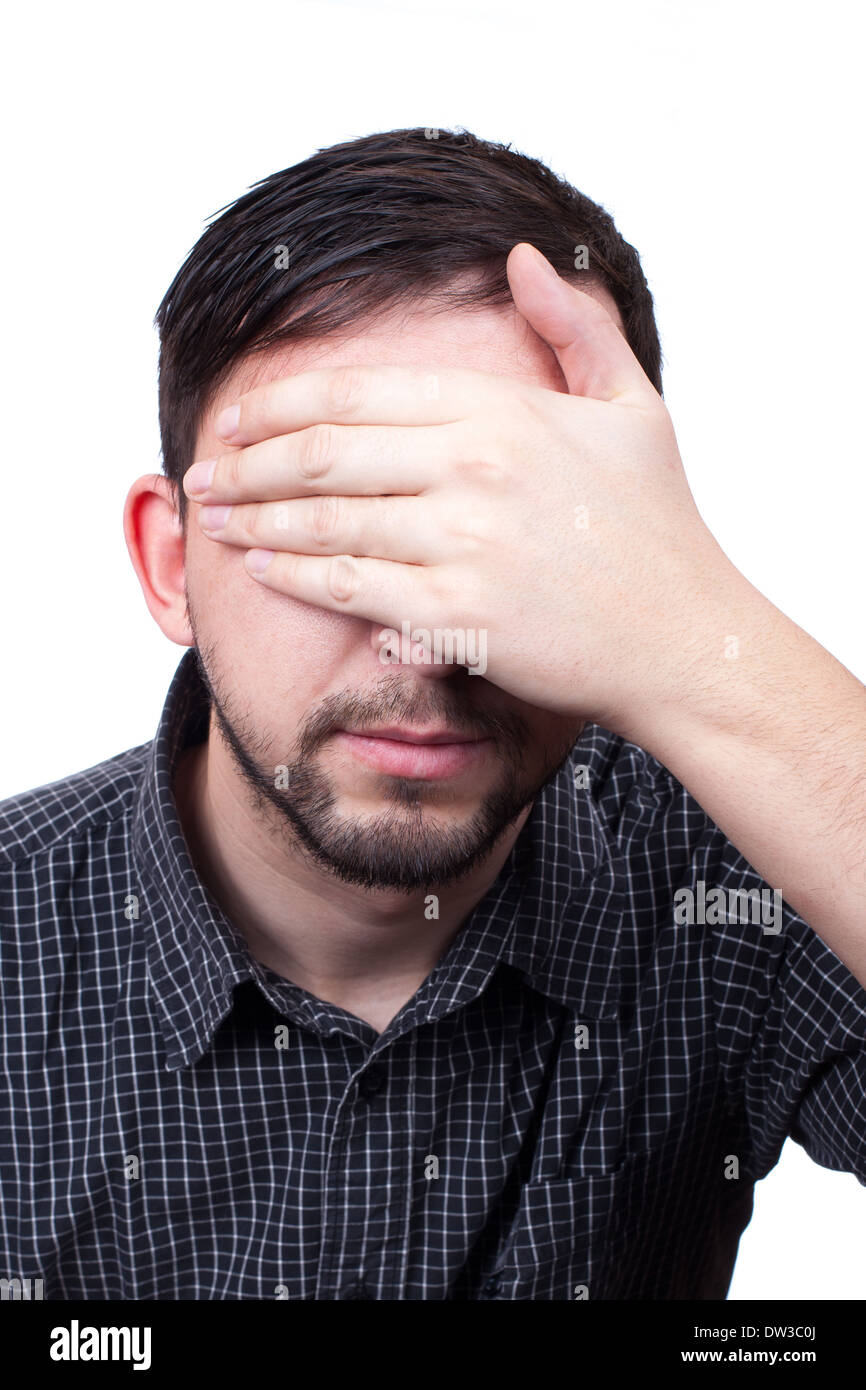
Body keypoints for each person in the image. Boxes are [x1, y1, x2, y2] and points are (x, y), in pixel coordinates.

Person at [1, 127, 864, 1301]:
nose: (429, 640)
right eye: (335, 523)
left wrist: (699, 639)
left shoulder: (736, 878)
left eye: (502, 538)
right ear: (171, 563)